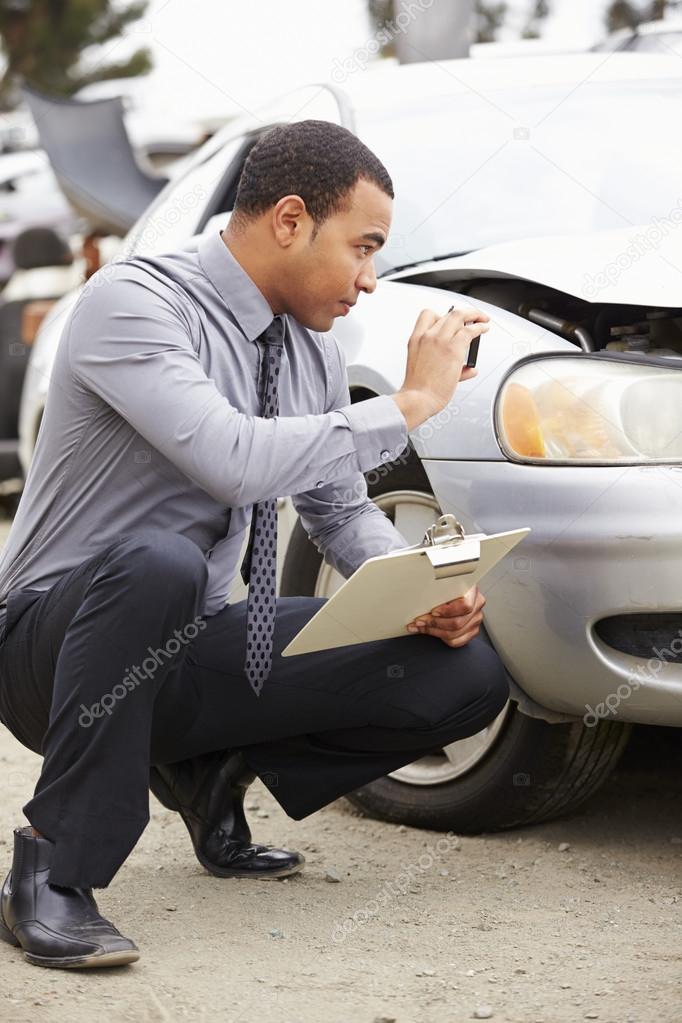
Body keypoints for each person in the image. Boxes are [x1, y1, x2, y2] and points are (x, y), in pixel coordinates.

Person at [0, 119, 504, 970]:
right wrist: (411, 403)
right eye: (364, 248)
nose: (370, 281)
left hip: (186, 641)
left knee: (465, 674)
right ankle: (52, 871)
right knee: (157, 561)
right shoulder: (135, 302)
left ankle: (208, 770)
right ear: (290, 220)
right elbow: (229, 457)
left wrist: (414, 587)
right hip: (49, 649)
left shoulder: (308, 351)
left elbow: (339, 511)